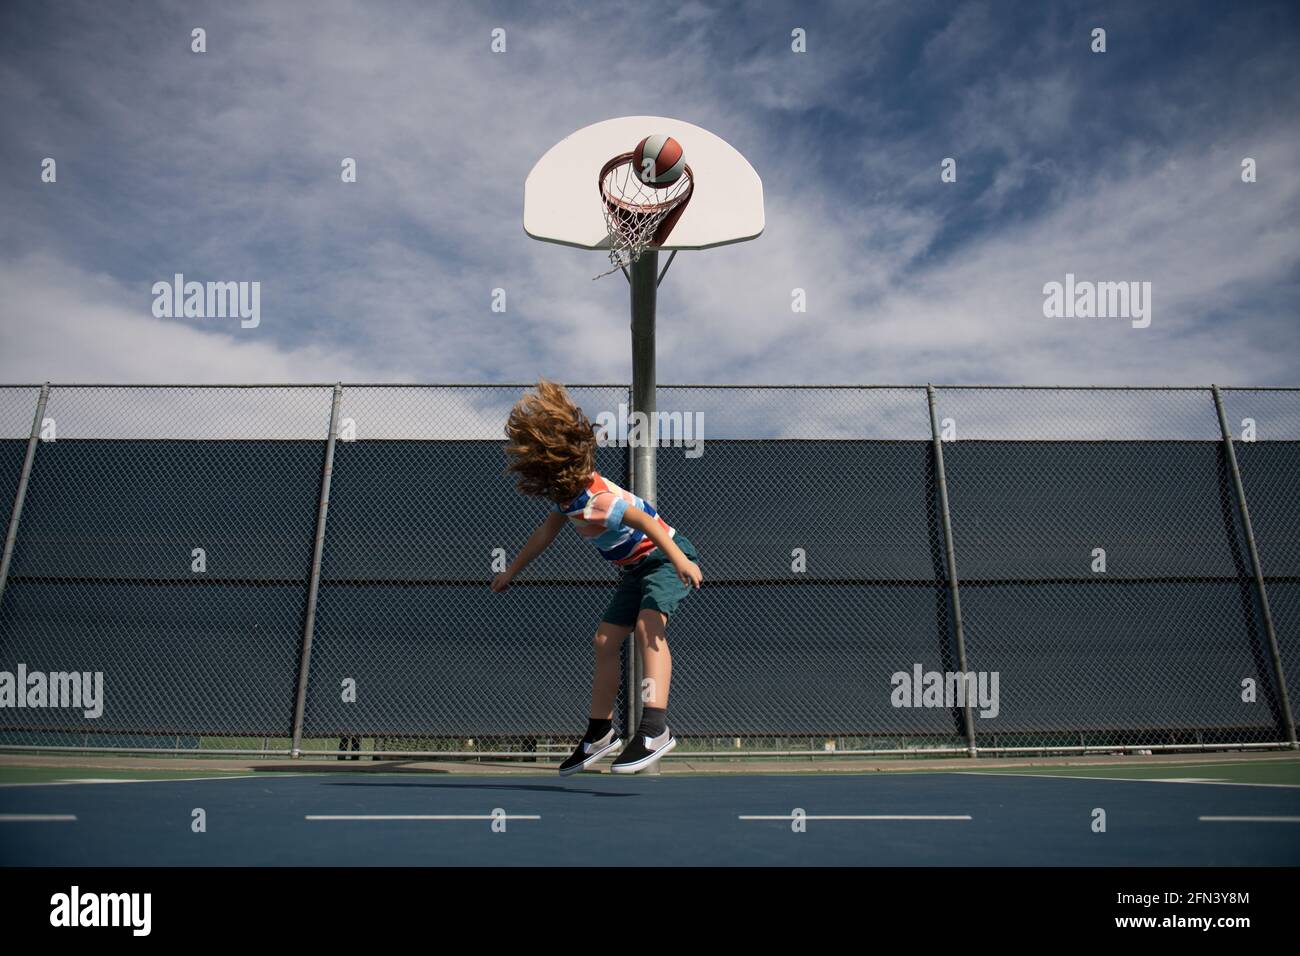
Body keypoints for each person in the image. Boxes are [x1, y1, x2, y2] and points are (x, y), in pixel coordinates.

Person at [491, 380, 702, 774]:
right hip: (634, 569)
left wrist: (679, 560)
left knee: (647, 626)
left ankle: (655, 728)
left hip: (664, 557)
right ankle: (600, 732)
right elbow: (544, 535)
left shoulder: (598, 502)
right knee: (604, 640)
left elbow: (646, 520)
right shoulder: (566, 500)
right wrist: (511, 571)